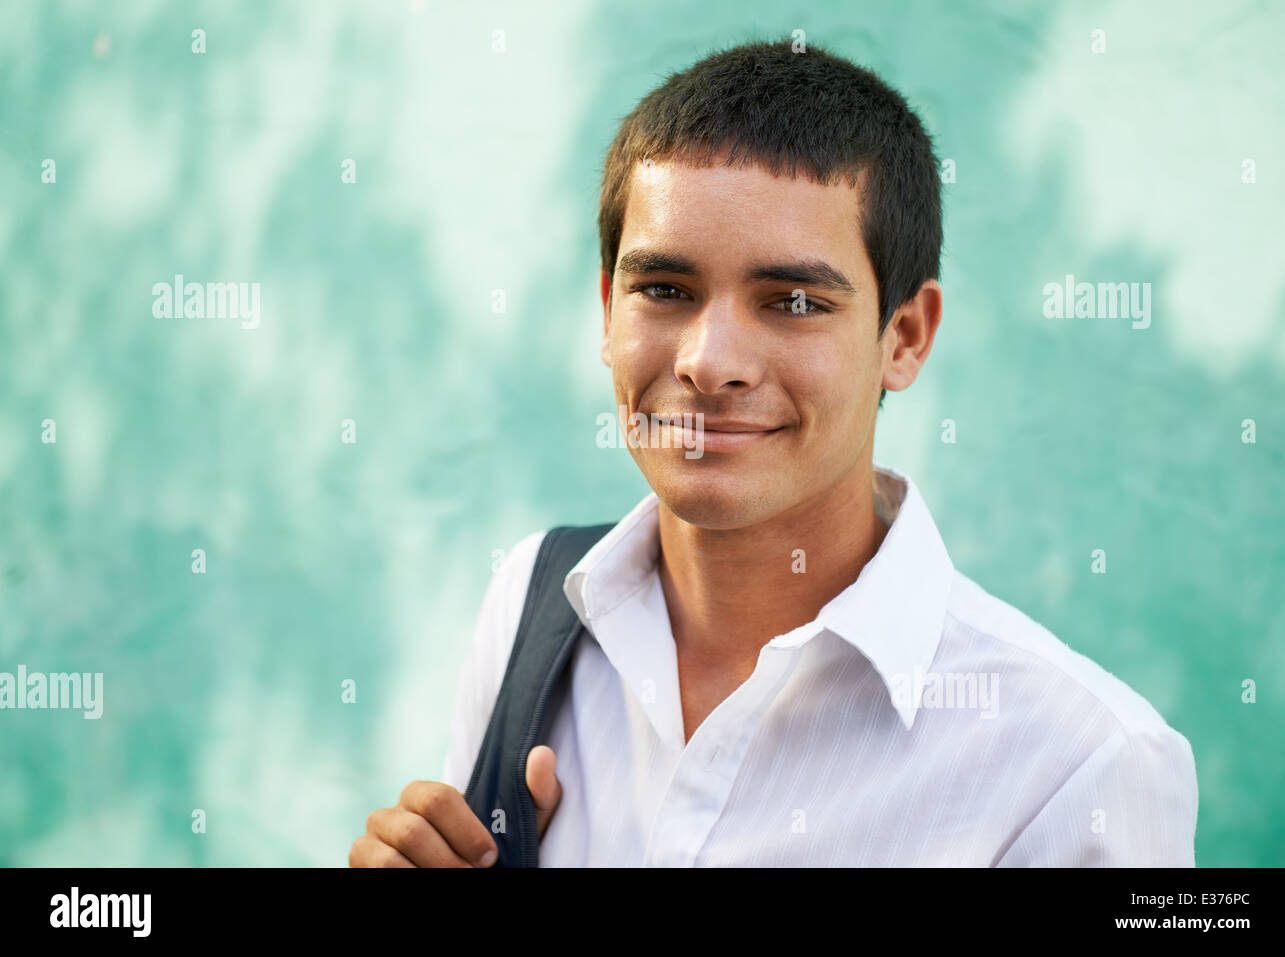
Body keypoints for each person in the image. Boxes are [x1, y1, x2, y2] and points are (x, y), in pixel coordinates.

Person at [349, 38, 1197, 868]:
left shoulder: (1082, 765)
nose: (710, 362)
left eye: (792, 300)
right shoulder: (534, 607)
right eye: (665, 290)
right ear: (608, 309)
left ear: (903, 336)